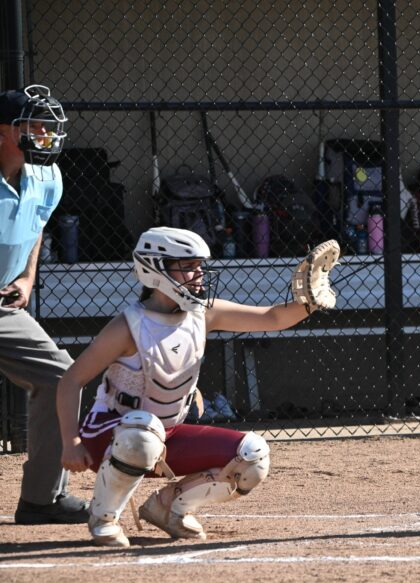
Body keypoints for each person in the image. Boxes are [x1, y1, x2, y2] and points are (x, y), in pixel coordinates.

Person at [57, 227, 338, 547]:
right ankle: (104, 518)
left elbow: (273, 318)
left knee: (252, 456)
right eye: (188, 266)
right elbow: (71, 381)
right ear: (156, 269)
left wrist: (308, 303)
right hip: (107, 436)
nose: (199, 274)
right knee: (142, 431)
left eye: (200, 265)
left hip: (167, 433)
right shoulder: (127, 326)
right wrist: (71, 442)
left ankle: (169, 508)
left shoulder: (203, 313)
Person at [0, 85, 89, 524]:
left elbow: (35, 224)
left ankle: (41, 500)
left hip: (2, 310)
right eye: (32, 126)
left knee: (61, 376)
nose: (45, 135)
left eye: (49, 127)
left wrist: (27, 275)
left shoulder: (45, 176)